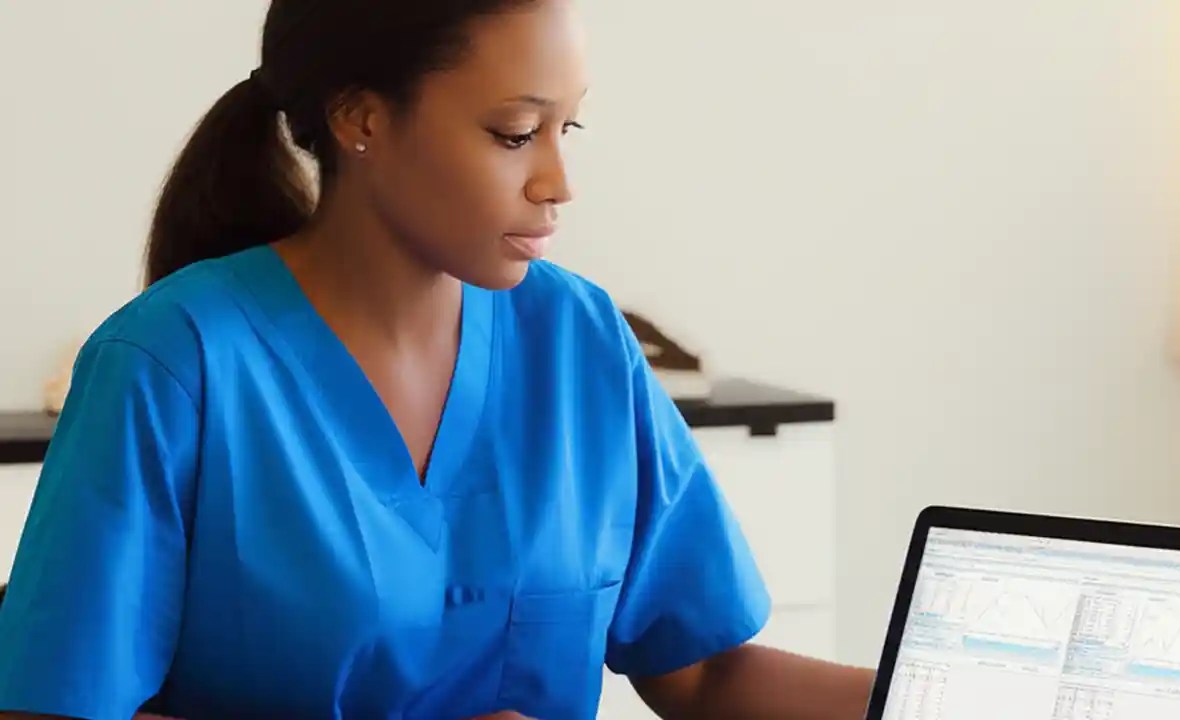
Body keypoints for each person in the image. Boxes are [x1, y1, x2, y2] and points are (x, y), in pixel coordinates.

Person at [0, 1, 876, 718]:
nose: (558, 180)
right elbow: (49, 710)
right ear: (362, 118)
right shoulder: (170, 362)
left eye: (567, 126)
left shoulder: (579, 338)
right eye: (514, 132)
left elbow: (706, 675)